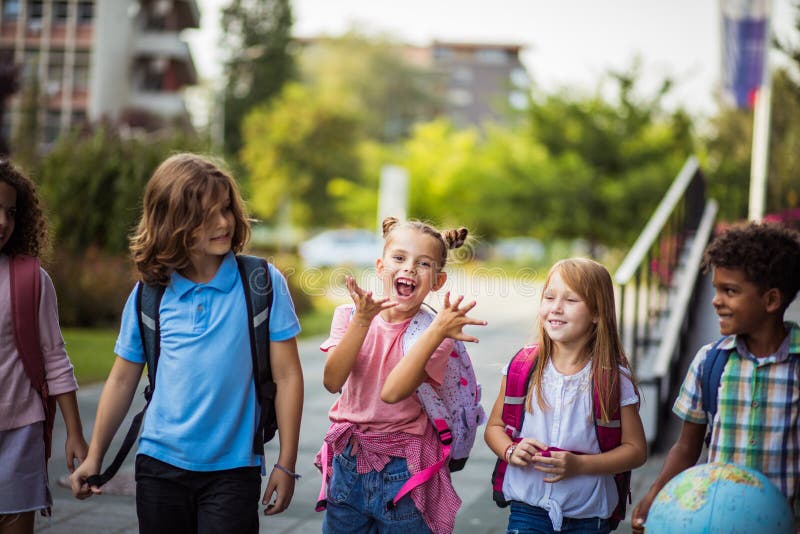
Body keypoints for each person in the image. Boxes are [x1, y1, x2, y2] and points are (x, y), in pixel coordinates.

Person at [68, 153, 304, 533]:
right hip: (159, 467)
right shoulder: (151, 294)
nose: (224, 222)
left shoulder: (261, 283)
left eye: (227, 208)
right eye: (208, 215)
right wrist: (95, 456)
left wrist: (286, 463)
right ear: (172, 221)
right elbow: (122, 380)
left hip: (234, 469)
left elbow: (289, 377)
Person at [317, 217, 486, 534]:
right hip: (350, 460)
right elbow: (332, 381)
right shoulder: (349, 316)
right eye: (399, 258)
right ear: (380, 266)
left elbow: (393, 391)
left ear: (437, 281)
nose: (409, 268)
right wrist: (362, 322)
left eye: (423, 264)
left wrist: (437, 331)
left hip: (404, 466)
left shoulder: (436, 334)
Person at [631, 222, 800, 533]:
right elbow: (686, 446)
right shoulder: (711, 361)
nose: (716, 300)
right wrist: (655, 494)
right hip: (717, 521)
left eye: (730, 291)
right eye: (716, 289)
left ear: (771, 300)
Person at [485, 258, 647, 534]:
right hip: (528, 510)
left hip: (588, 516)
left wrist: (580, 464)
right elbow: (494, 428)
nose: (556, 307)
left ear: (597, 312)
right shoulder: (522, 368)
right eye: (549, 297)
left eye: (571, 300)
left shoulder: (612, 378)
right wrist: (510, 451)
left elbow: (636, 450)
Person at [0, 160, 88, 533]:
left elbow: (55, 359)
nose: (3, 222)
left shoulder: (32, 280)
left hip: (20, 433)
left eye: (11, 212)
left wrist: (76, 433)